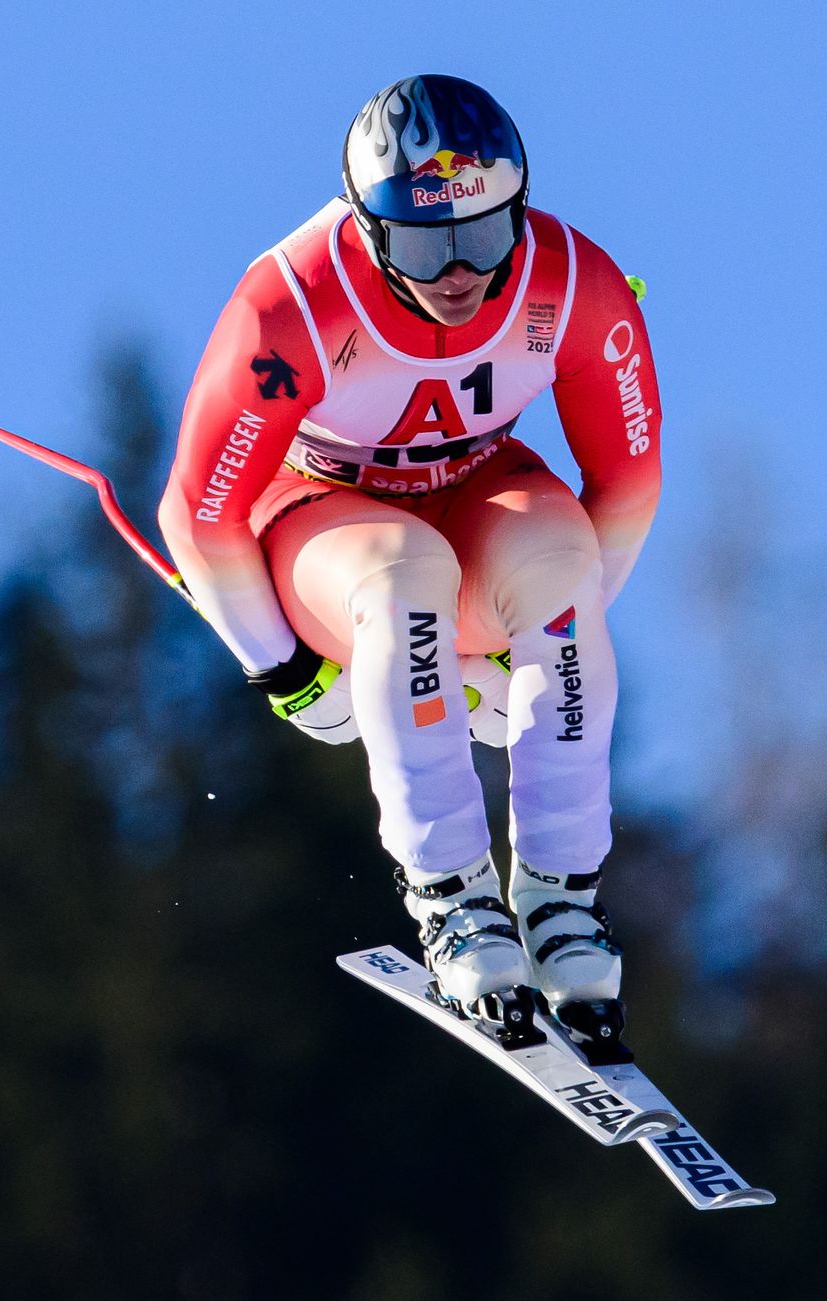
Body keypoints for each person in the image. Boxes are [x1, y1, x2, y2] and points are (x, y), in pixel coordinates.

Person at [156, 74, 662, 1051]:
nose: (459, 272)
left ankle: (562, 899)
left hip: (475, 488)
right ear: (365, 223)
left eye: (482, 233)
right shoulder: (292, 305)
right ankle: (451, 895)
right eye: (425, 242)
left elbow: (629, 486)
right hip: (322, 514)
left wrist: (541, 656)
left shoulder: (569, 283)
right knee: (402, 574)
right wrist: (289, 673)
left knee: (564, 569)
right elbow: (199, 509)